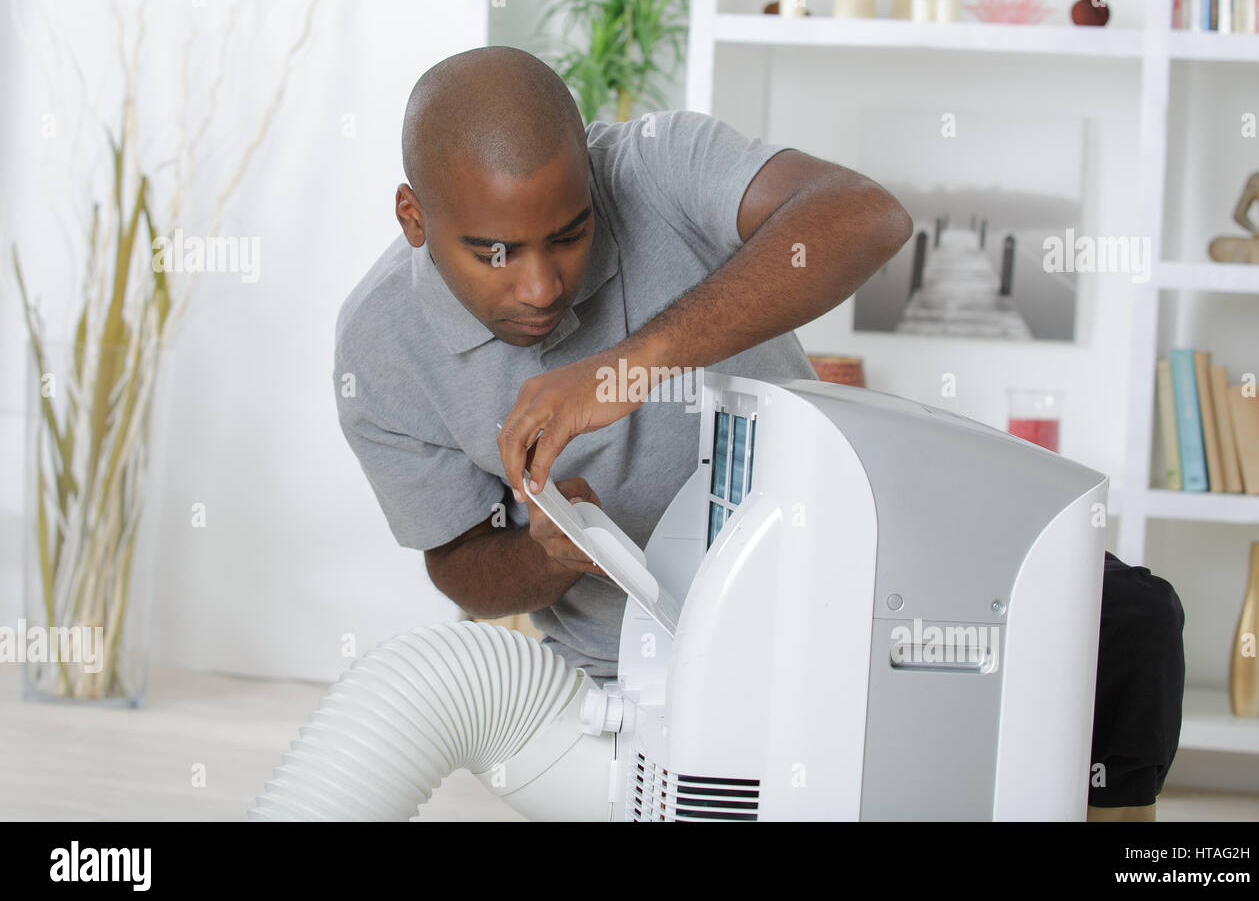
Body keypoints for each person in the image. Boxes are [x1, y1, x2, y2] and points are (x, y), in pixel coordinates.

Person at [333, 46, 1183, 820]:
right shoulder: (381, 347)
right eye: (495, 253)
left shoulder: (655, 165)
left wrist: (631, 365)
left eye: (570, 233)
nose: (543, 284)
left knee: (1129, 622)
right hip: (658, 678)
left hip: (851, 584)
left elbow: (864, 216)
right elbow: (461, 569)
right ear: (414, 218)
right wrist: (546, 556)